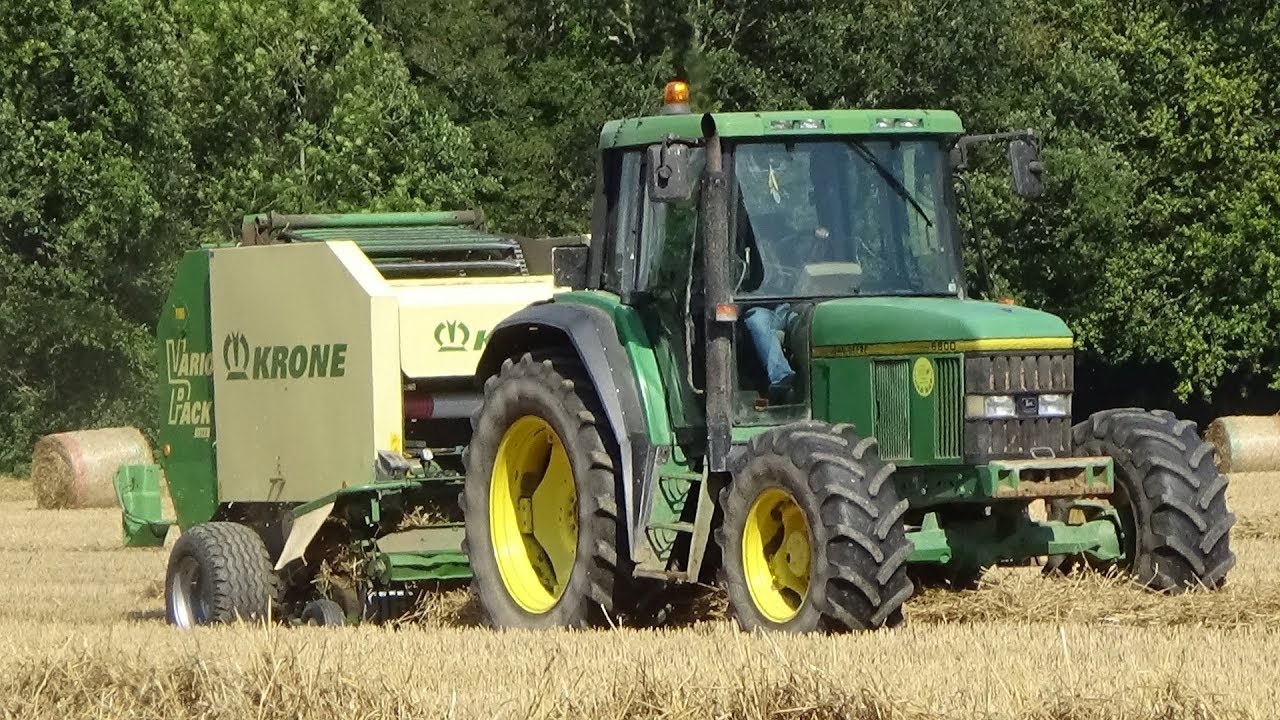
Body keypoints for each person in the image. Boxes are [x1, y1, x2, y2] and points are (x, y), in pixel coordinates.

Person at [741, 226, 830, 402]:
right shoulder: (749, 256)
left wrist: (817, 238)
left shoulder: (796, 251)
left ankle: (816, 382)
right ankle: (783, 378)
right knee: (756, 320)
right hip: (764, 309)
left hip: (792, 306)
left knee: (810, 321)